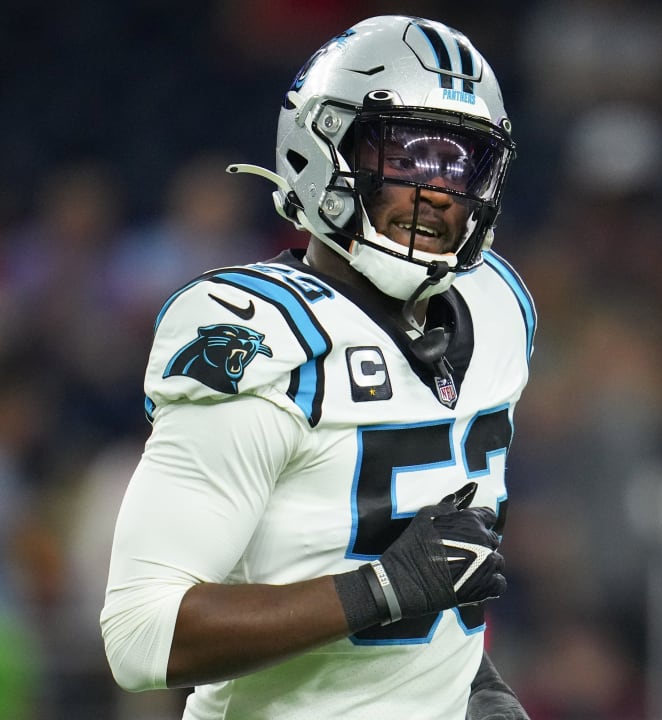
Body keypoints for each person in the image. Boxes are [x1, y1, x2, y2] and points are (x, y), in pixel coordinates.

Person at [101, 15, 536, 719]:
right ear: (323, 147)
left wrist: (475, 684)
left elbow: (438, 558)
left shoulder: (497, 309)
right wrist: (382, 591)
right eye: (406, 157)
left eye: (457, 166)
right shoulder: (263, 335)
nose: (435, 193)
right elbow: (142, 636)